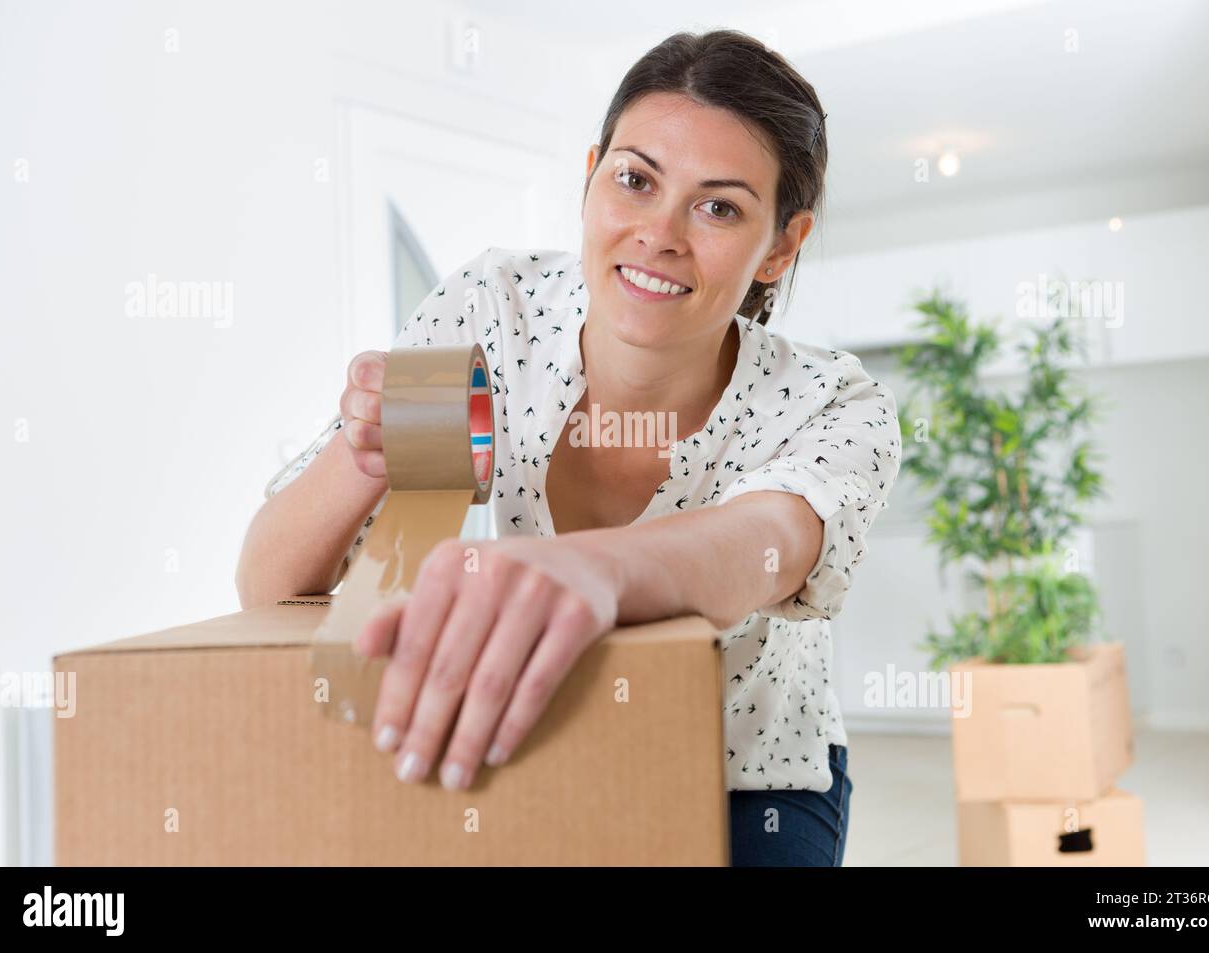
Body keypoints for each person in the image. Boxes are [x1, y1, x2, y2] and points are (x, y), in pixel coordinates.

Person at [236, 29, 900, 867]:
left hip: (745, 767)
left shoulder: (834, 399)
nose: (659, 233)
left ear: (781, 244)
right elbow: (270, 583)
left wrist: (602, 569)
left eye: (719, 206)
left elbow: (765, 546)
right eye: (635, 181)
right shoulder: (493, 310)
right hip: (548, 730)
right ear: (592, 177)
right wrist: (363, 457)